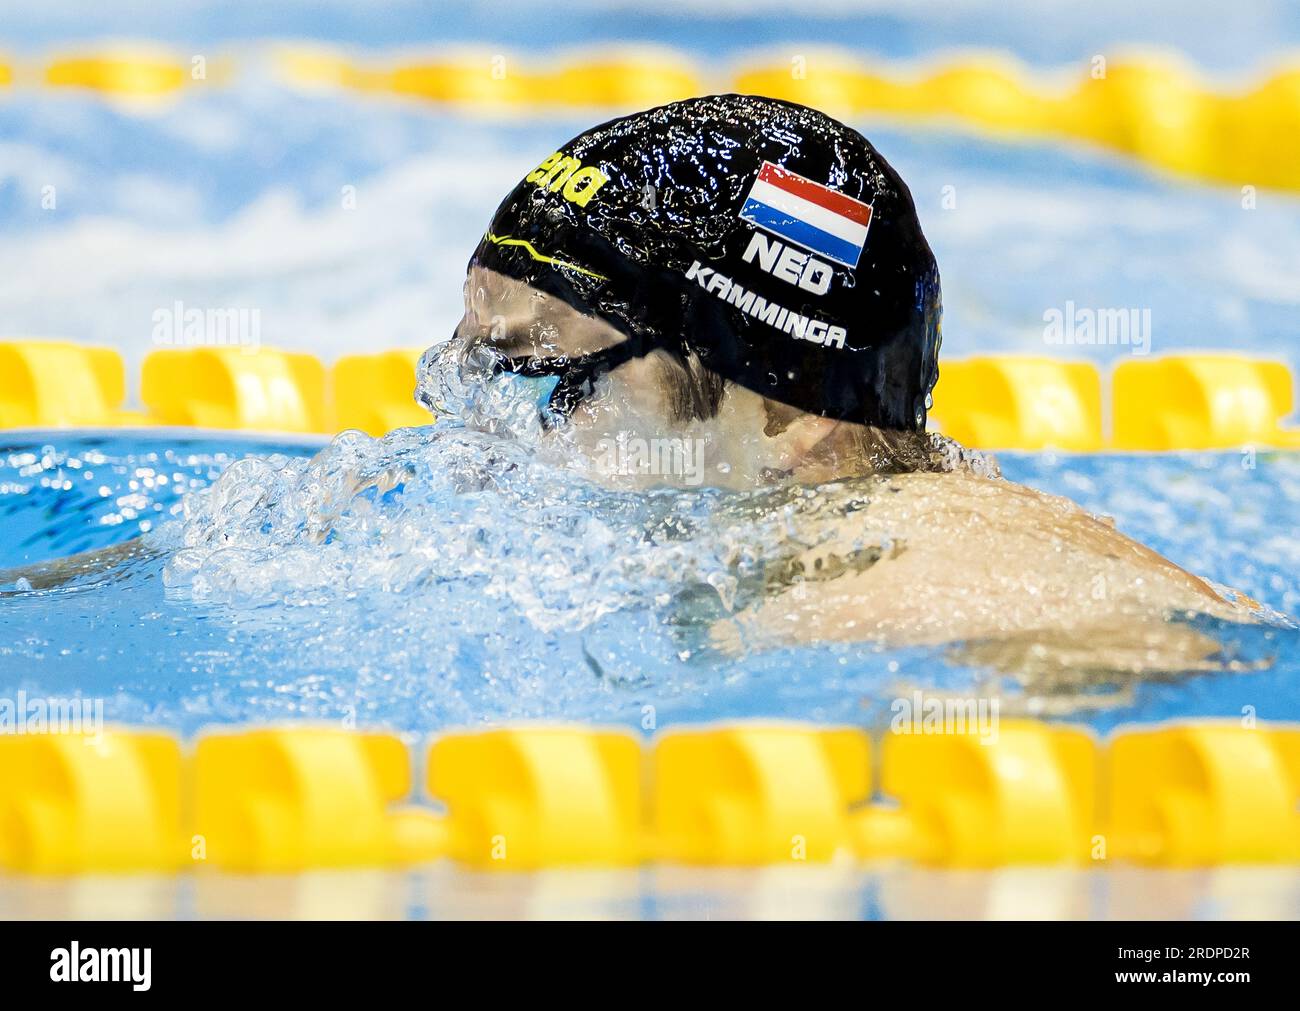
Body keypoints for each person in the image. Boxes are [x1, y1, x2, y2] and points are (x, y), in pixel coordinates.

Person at [430, 93, 1272, 684]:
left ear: (785, 415)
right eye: (474, 366)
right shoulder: (807, 570)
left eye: (548, 374)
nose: (479, 439)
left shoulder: (917, 607)